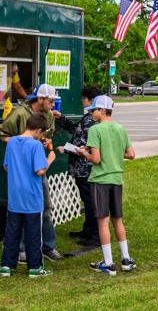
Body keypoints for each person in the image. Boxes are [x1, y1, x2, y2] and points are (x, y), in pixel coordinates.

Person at [0, 83, 62, 262]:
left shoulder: (49, 115)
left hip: (38, 164)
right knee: (22, 211)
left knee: (45, 208)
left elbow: (49, 134)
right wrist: (20, 143)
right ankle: (21, 250)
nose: (53, 105)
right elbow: (0, 133)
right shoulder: (19, 113)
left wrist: (46, 140)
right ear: (40, 99)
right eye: (50, 101)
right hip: (23, 170)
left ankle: (48, 246)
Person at [78, 95, 136, 276]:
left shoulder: (95, 130)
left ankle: (109, 263)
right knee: (117, 219)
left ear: (102, 111)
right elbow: (131, 154)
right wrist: (116, 154)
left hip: (100, 180)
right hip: (117, 179)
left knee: (102, 220)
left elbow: (95, 158)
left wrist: (83, 153)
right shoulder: (121, 128)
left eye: (93, 110)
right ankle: (126, 259)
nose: (91, 113)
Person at [0, 113, 56, 278]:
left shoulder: (12, 142)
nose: (41, 137)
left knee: (12, 232)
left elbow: (7, 167)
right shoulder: (36, 146)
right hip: (32, 197)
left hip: (15, 195)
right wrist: (50, 159)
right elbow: (39, 170)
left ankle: (6, 266)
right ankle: (34, 267)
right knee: (33, 234)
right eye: (42, 133)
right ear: (38, 130)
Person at [54, 86, 102, 246]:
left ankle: (94, 236)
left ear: (91, 100)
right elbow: (75, 130)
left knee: (90, 201)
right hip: (80, 167)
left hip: (85, 166)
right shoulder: (88, 117)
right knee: (86, 199)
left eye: (84, 98)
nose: (82, 101)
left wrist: (65, 148)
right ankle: (87, 229)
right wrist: (60, 117)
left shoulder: (92, 120)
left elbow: (84, 144)